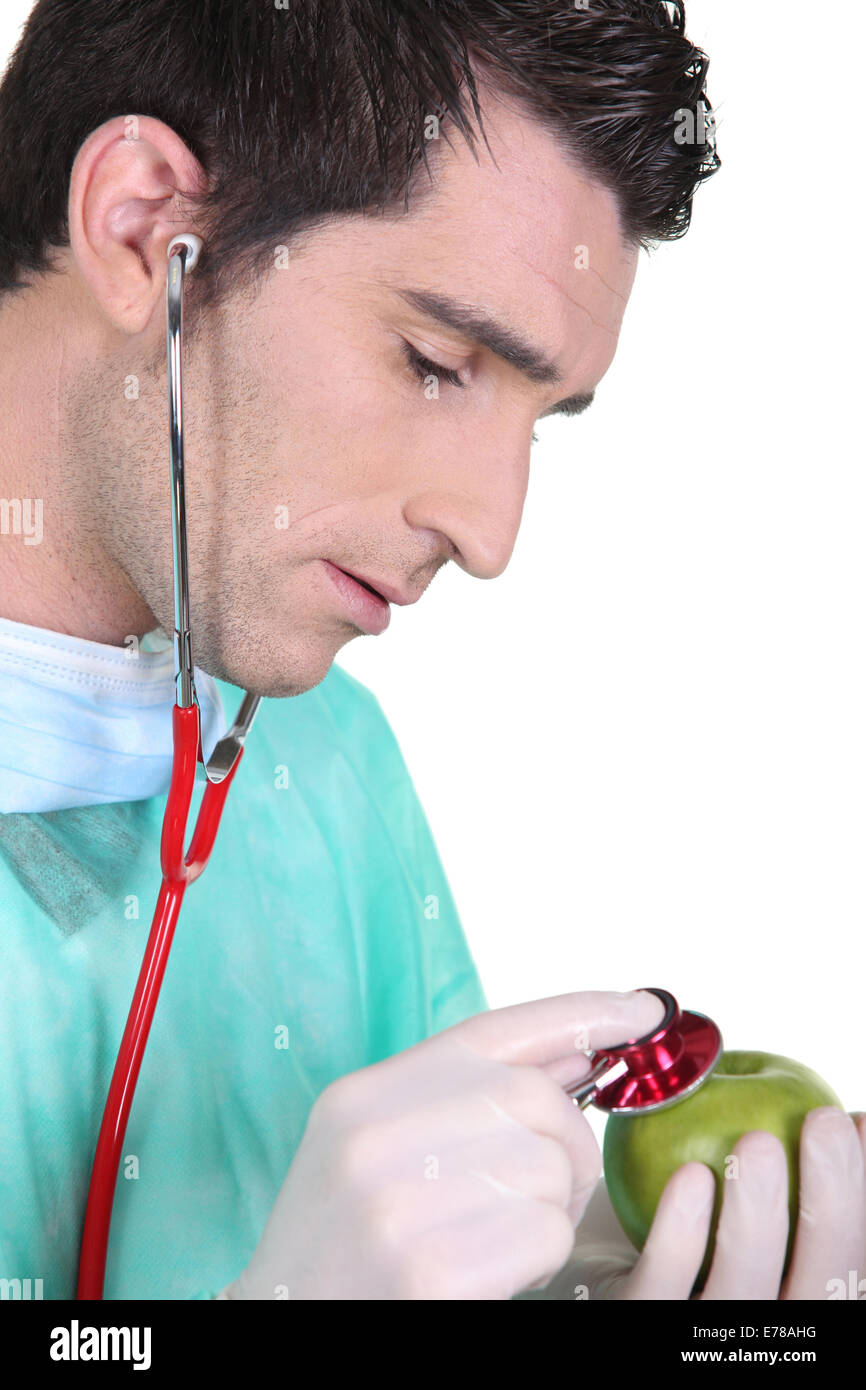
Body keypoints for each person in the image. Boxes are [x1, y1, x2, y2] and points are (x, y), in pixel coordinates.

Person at [0, 0, 862, 1302]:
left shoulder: (328, 770)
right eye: (436, 360)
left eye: (546, 419)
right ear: (142, 227)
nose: (490, 530)